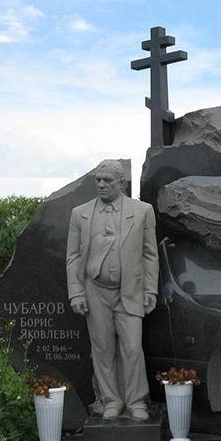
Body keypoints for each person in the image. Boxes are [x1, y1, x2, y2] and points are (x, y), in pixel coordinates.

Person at [66, 159, 158, 420]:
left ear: (121, 183)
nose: (101, 185)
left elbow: (150, 255)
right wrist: (76, 292)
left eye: (107, 180)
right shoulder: (80, 214)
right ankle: (111, 401)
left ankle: (137, 401)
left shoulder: (142, 211)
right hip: (95, 290)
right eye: (98, 180)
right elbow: (73, 257)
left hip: (129, 290)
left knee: (132, 348)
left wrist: (150, 290)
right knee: (103, 349)